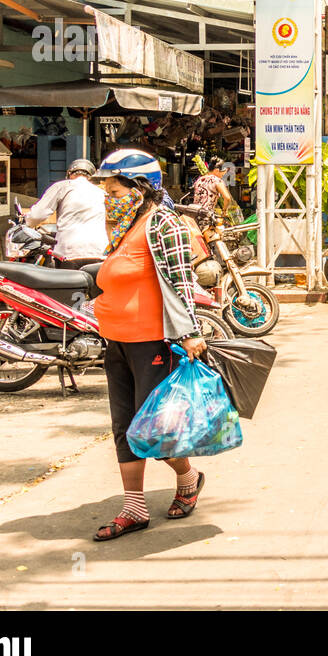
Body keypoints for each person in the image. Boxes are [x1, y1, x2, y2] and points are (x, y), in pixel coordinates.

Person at [89, 149, 210, 542]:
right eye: (106, 188)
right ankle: (134, 508)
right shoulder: (125, 224)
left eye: (115, 186)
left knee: (155, 430)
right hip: (117, 341)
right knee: (123, 426)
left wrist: (191, 332)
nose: (109, 194)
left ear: (141, 188)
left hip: (152, 342)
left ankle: (188, 477)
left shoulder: (164, 225)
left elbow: (180, 282)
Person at [25, 159, 107, 268]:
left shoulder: (62, 186)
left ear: (69, 174)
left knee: (67, 284)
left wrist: (27, 223)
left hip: (69, 250)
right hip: (99, 250)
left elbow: (37, 215)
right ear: (90, 177)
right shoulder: (100, 192)